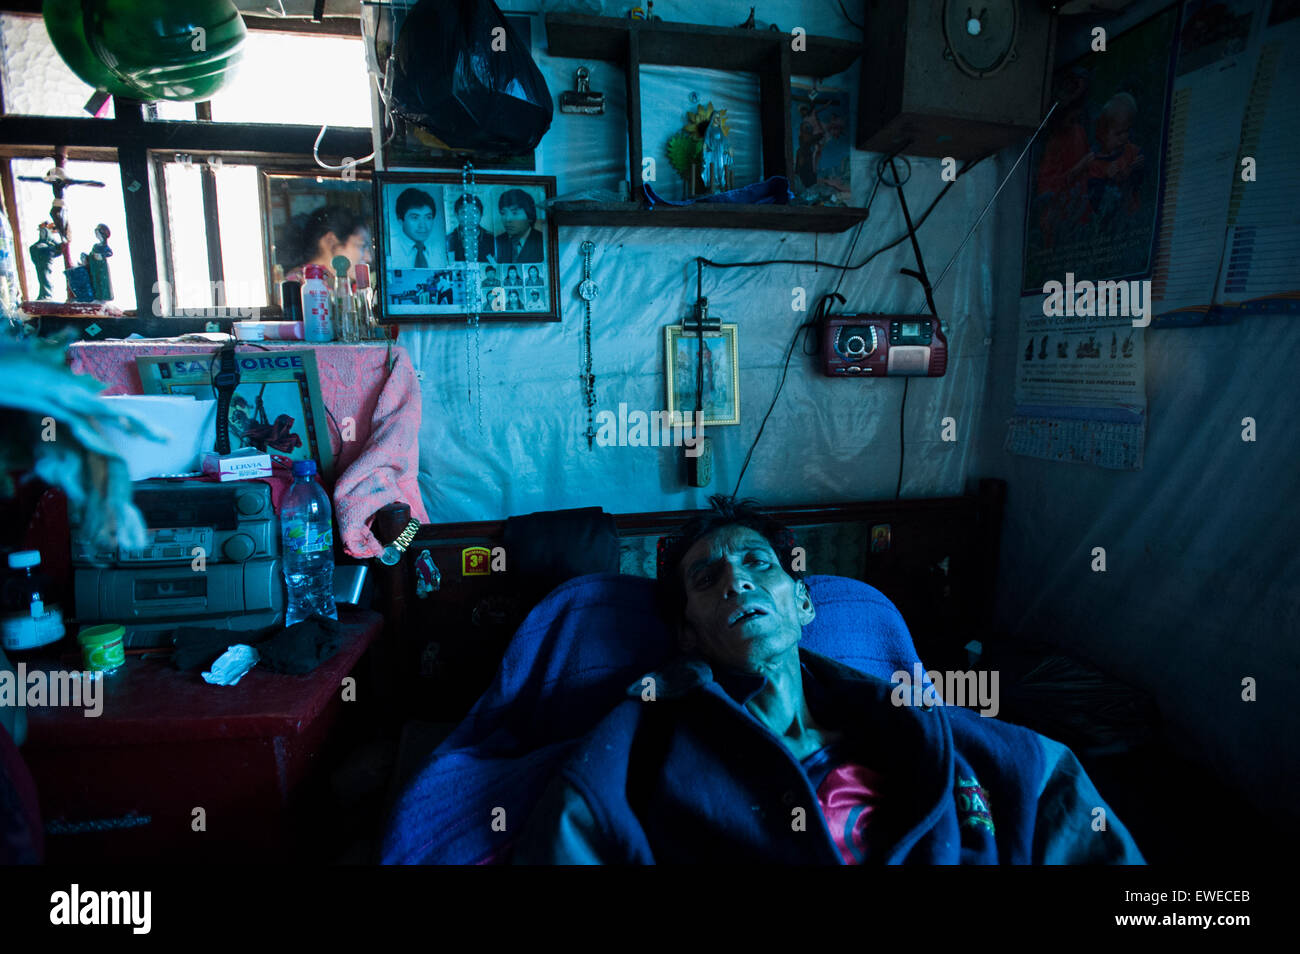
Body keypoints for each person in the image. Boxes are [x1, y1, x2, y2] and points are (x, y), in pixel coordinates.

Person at [512, 497, 1145, 864]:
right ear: (687, 634)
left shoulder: (919, 726)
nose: (736, 581)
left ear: (804, 604)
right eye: (707, 580)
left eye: (759, 564)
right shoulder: (643, 741)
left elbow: (1057, 798)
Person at [283, 205, 371, 284]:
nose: (368, 258)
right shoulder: (299, 284)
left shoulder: (339, 286)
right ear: (330, 240)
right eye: (361, 246)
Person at [390, 188, 445, 269]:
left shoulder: (441, 250)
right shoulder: (390, 249)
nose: (422, 225)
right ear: (400, 220)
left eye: (428, 217)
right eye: (415, 218)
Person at [492, 188, 544, 263]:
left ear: (529, 215)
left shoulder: (542, 240)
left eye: (515, 213)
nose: (507, 219)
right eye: (503, 213)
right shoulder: (497, 242)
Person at [446, 194, 493, 263]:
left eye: (475, 212)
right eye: (464, 212)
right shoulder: (449, 240)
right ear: (456, 214)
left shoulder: (491, 239)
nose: (470, 217)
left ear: (481, 214)